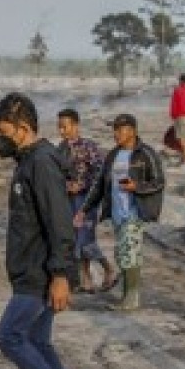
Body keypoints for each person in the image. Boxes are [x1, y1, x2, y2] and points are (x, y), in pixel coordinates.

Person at [0, 92, 92, 369]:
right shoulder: (28, 161)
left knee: (9, 336)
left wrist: (60, 275)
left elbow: (60, 222)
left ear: (22, 128)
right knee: (37, 340)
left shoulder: (42, 163)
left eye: (3, 132)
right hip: (32, 268)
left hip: (41, 272)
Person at [78, 114, 165, 311]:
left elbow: (159, 182)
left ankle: (131, 299)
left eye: (120, 129)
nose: (116, 133)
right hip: (117, 213)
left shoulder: (145, 153)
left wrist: (137, 186)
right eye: (114, 129)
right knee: (121, 254)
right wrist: (85, 208)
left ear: (132, 131)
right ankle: (127, 295)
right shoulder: (112, 155)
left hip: (136, 212)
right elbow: (100, 185)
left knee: (129, 253)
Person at [57, 108, 116, 293]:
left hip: (87, 199)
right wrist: (66, 185)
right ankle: (86, 279)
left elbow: (100, 173)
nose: (62, 131)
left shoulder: (88, 146)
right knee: (77, 238)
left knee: (85, 237)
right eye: (59, 127)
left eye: (65, 126)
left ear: (75, 125)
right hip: (69, 199)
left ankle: (108, 269)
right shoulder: (60, 149)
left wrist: (81, 184)